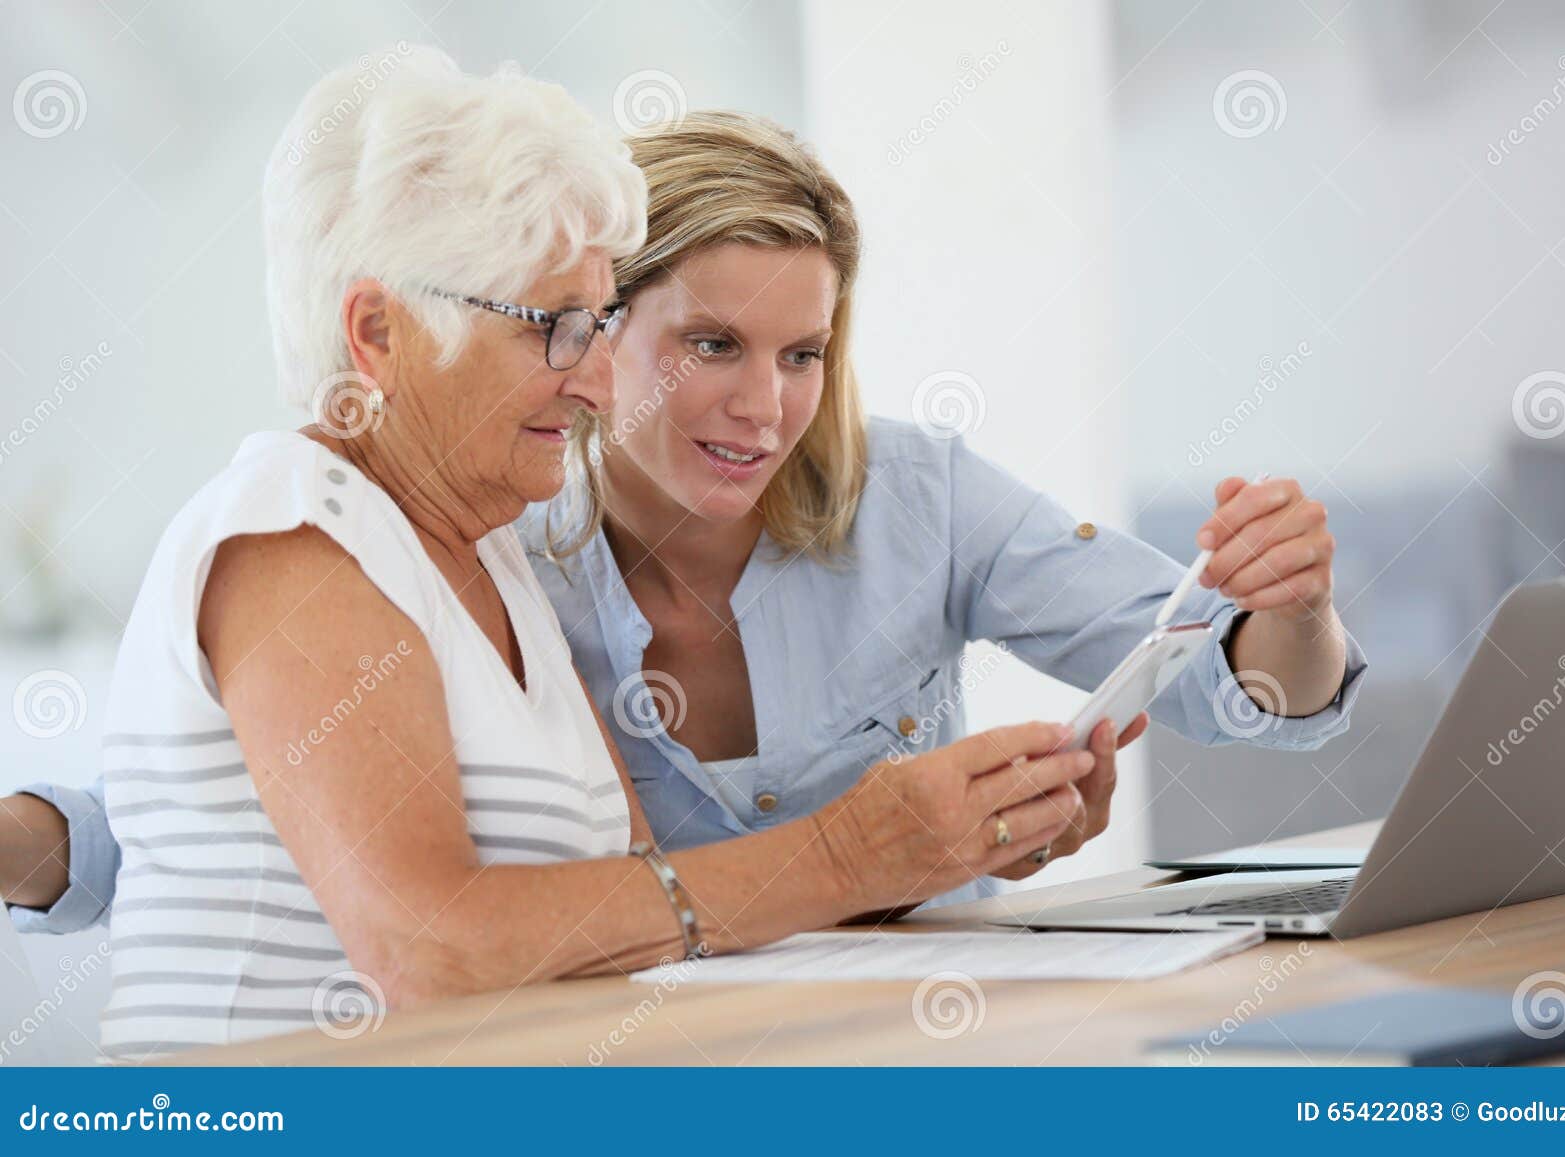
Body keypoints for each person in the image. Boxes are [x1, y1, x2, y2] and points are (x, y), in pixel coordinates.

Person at [3, 90, 1367, 982]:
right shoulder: (489, 534)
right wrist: (36, 838)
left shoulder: (918, 494)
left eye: (804, 353)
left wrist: (1287, 607)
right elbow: (272, 805)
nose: (764, 407)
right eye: (709, 343)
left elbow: (1224, 673)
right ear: (604, 324)